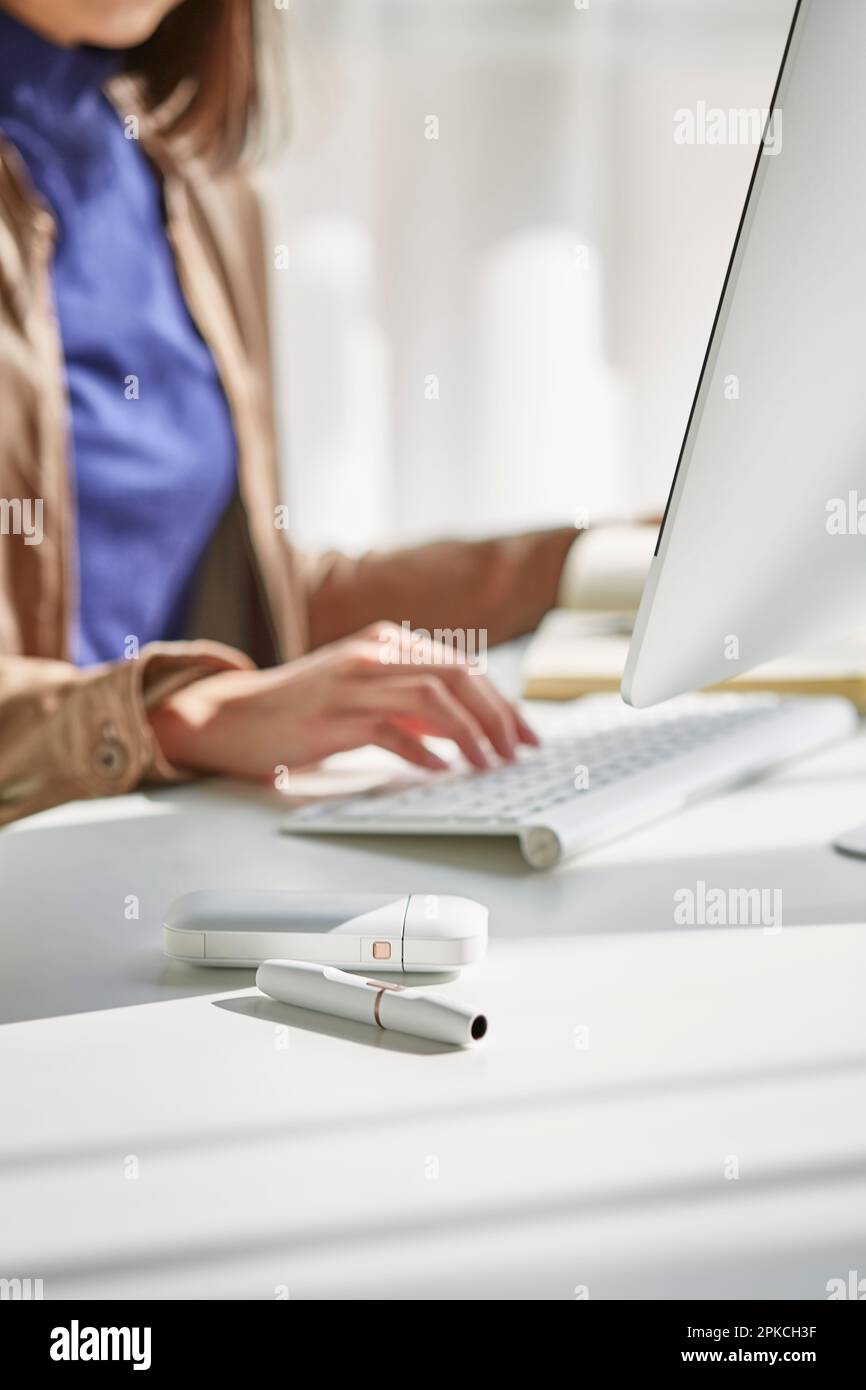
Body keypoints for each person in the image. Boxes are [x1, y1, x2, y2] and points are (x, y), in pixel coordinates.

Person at [0, 0, 636, 827]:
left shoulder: (194, 184)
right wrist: (183, 713)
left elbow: (257, 596)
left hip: (164, 836)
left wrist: (590, 563)